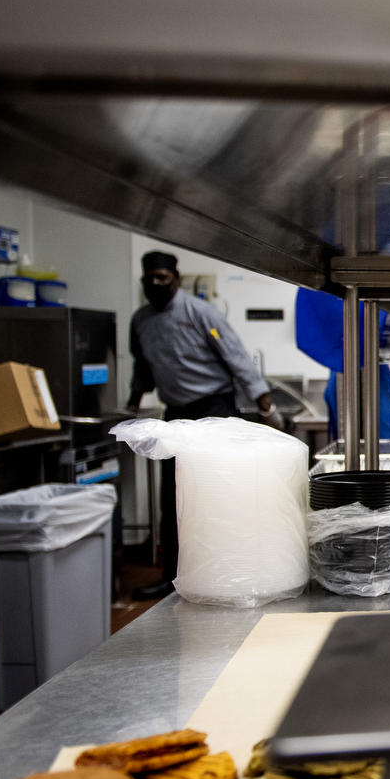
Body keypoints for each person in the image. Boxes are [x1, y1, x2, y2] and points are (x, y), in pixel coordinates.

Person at [126, 250, 282, 600]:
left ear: (177, 279)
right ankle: (173, 579)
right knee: (174, 497)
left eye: (162, 278)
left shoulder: (201, 313)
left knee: (219, 492)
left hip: (214, 410)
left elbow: (236, 357)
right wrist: (131, 405)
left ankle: (230, 572)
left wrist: (265, 405)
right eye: (149, 279)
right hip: (175, 415)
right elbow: (142, 367)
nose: (155, 284)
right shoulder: (141, 321)